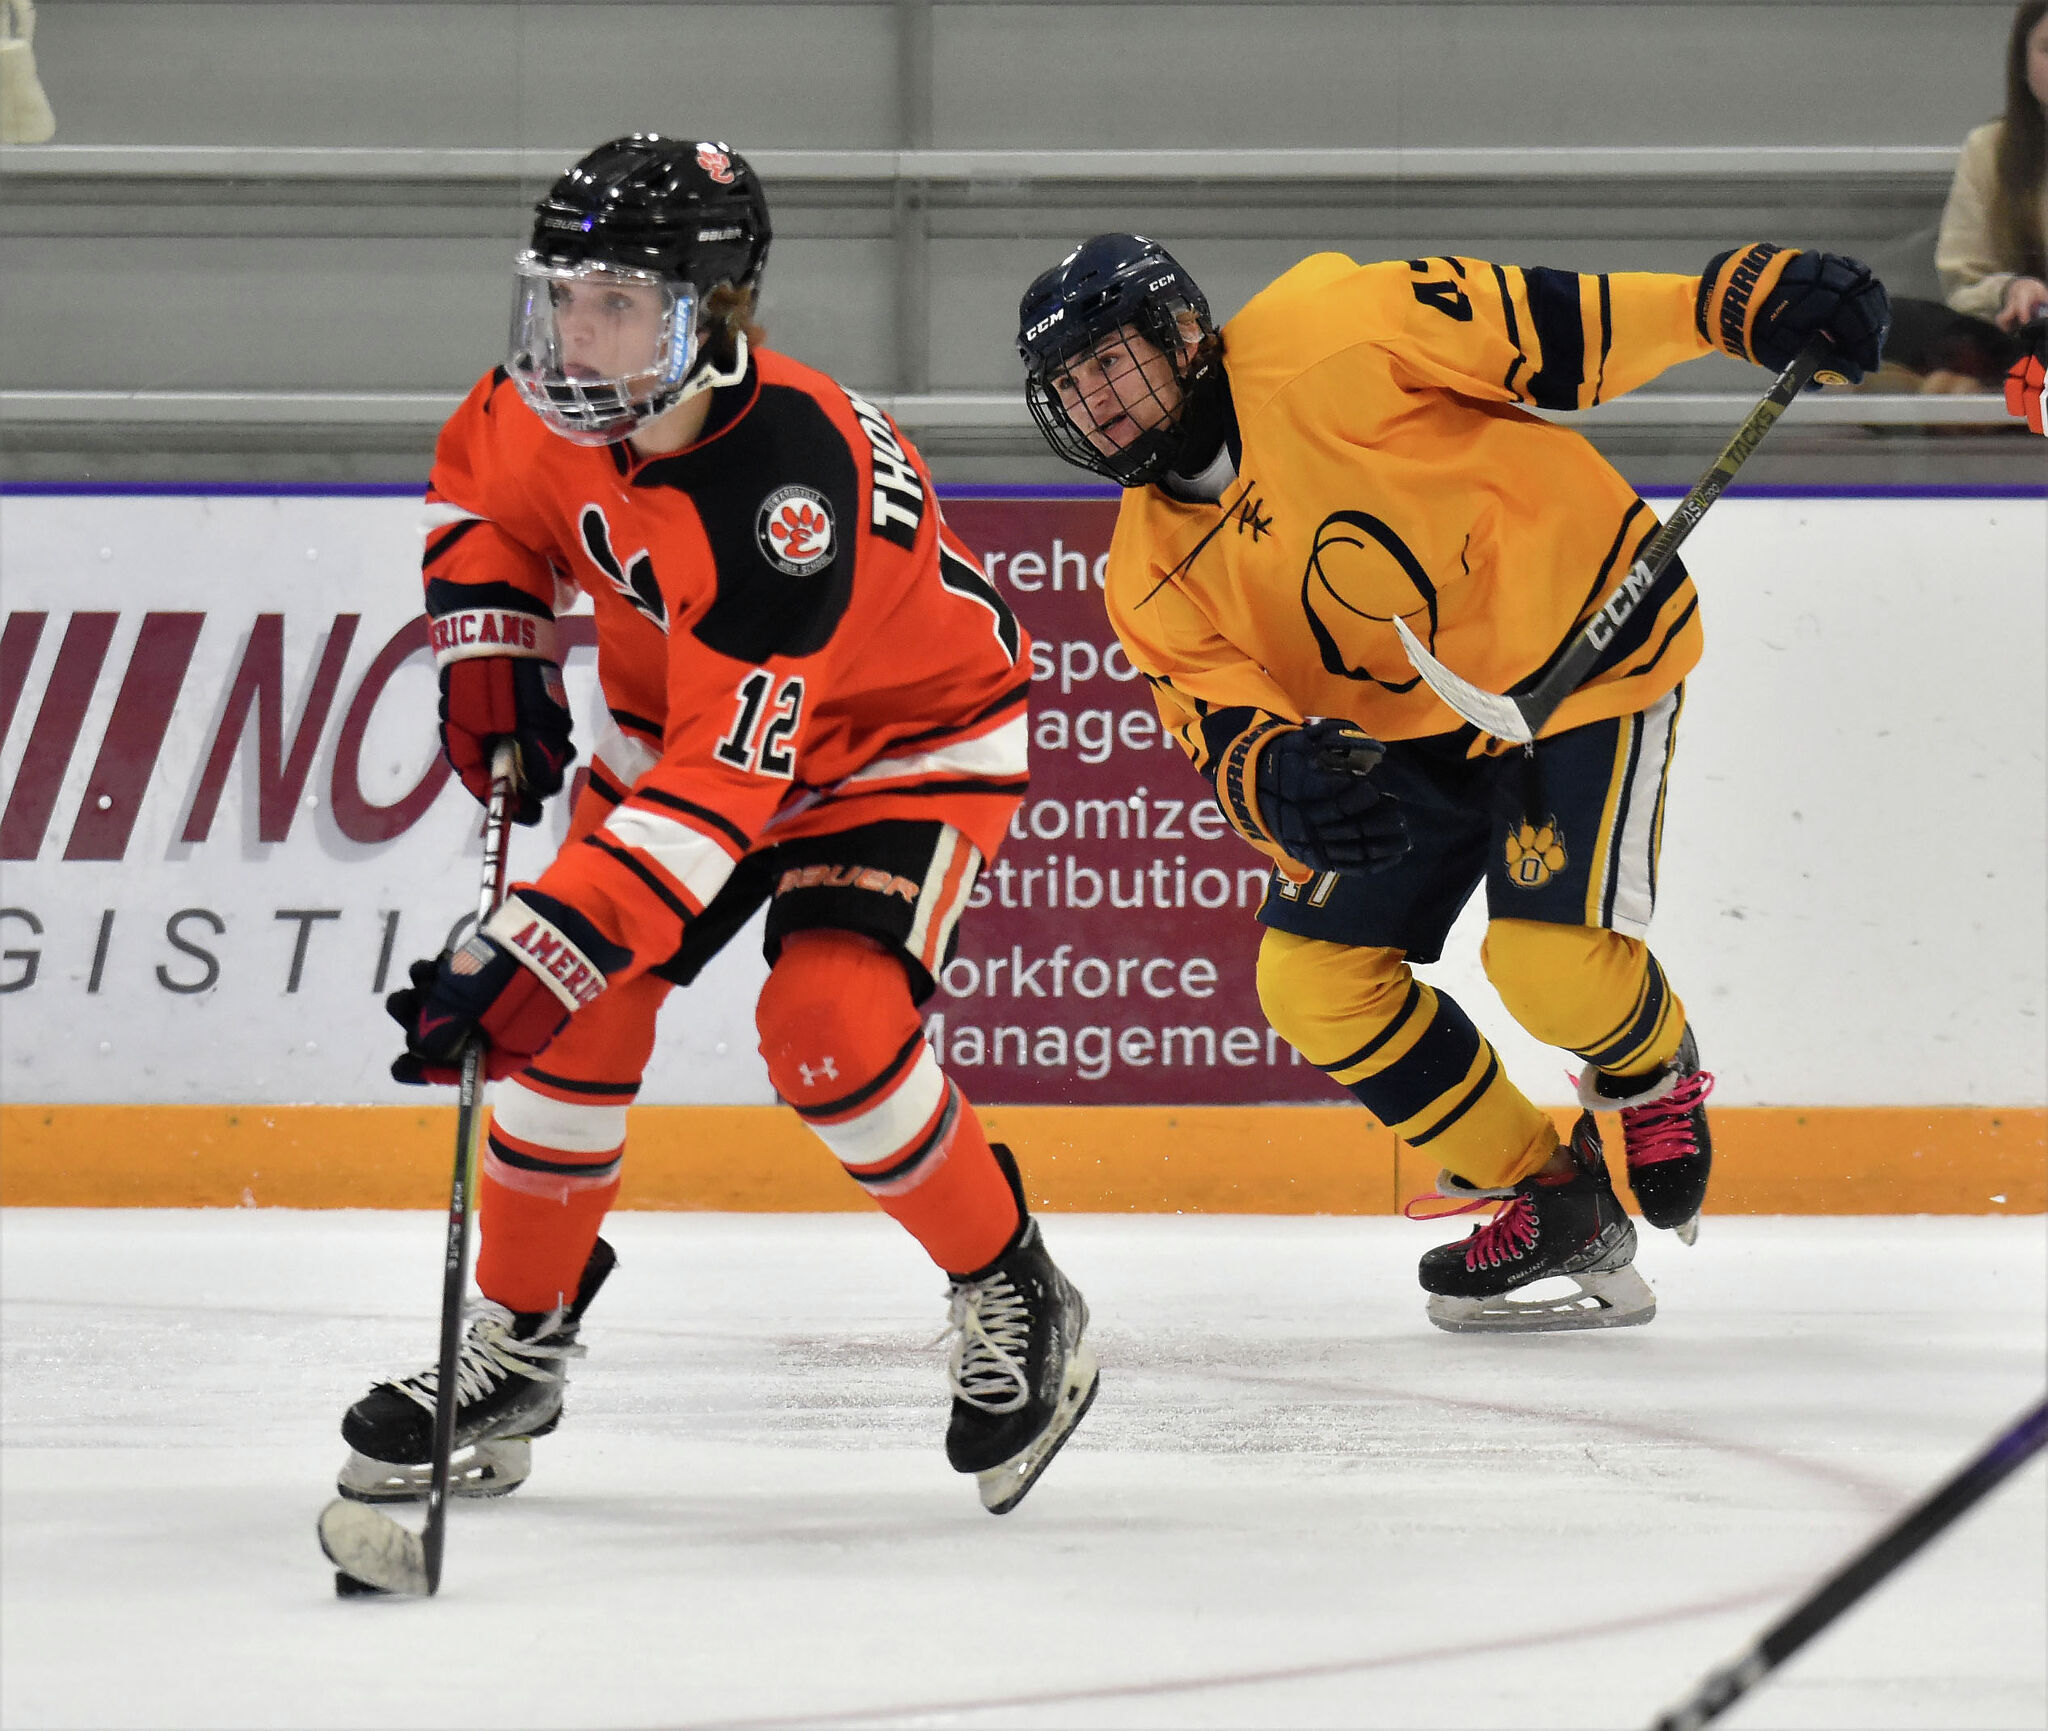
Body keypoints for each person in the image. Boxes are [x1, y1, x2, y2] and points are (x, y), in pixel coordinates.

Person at [335, 135, 1096, 1517]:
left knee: (830, 1029)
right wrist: (491, 641)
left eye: (616, 301)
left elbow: (720, 800)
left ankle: (1014, 1282)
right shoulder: (546, 402)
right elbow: (476, 491)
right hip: (688, 730)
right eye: (562, 293)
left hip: (894, 749)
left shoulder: (784, 498)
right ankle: (520, 1335)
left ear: (716, 313)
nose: (574, 332)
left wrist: (544, 942)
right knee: (573, 1024)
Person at [1015, 233, 1888, 1333]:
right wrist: (1271, 777)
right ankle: (1554, 1198)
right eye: (1068, 387)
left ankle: (1649, 1074)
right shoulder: (1143, 571)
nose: (1094, 405)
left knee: (1546, 969)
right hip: (1408, 730)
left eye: (1108, 364)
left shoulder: (1332, 327)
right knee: (1309, 980)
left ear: (1185, 335)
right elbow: (1217, 728)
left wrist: (1729, 302)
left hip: (1576, 651)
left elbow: (1550, 326)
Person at [1937, 1, 2048, 333]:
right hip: (2024, 348)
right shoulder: (1990, 150)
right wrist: (2009, 290)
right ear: (2022, 64)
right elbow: (1962, 286)